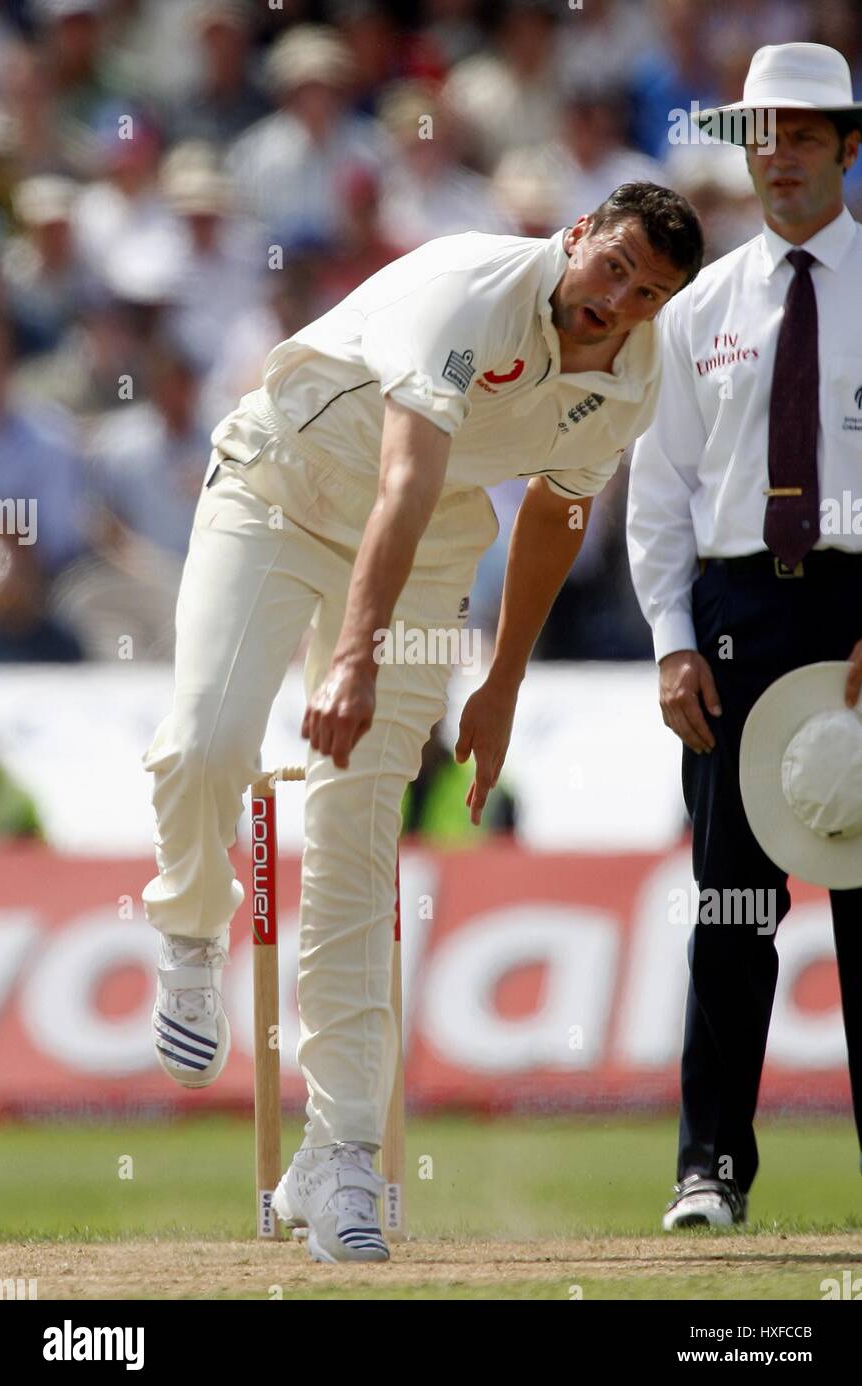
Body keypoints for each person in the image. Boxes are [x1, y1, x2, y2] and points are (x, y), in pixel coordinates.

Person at [143, 181, 702, 1262]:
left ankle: (339, 1149)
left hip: (431, 543)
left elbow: (555, 507)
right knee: (208, 739)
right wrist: (347, 658)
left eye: (648, 292)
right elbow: (402, 471)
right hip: (281, 487)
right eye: (613, 266)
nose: (618, 300)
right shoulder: (467, 287)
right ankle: (187, 924)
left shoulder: (633, 372)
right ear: (575, 231)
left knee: (358, 825)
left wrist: (499, 683)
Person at [626, 43, 862, 1231]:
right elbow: (658, 489)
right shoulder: (701, 305)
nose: (781, 156)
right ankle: (706, 1167)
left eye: (806, 135)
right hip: (735, 612)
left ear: (846, 148)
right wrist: (671, 639)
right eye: (765, 134)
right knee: (729, 903)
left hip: (858, 602)